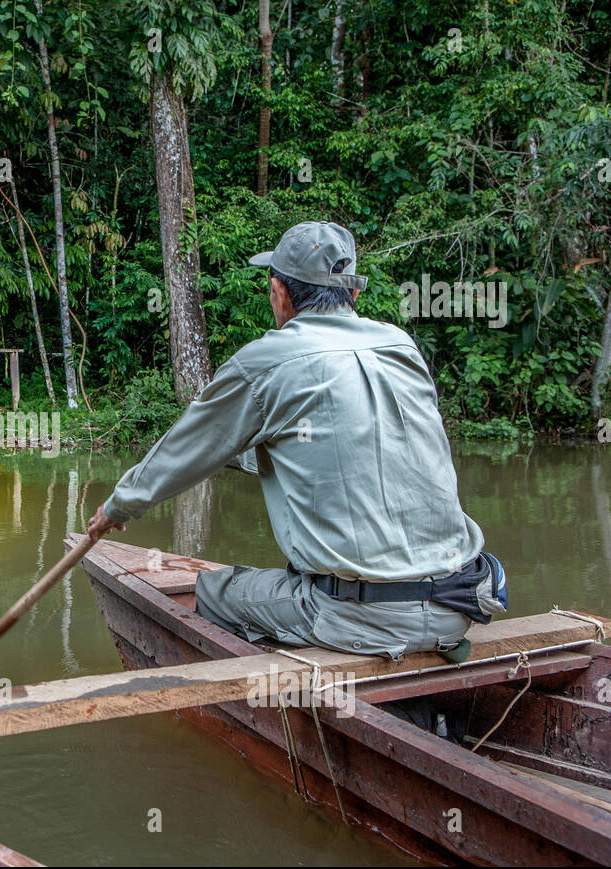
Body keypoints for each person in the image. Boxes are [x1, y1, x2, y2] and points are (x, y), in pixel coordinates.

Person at [85, 221, 506, 662]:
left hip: (359, 616)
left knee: (208, 592)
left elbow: (181, 452)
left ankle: (271, 675)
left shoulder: (266, 361)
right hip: (460, 604)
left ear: (279, 293)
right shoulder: (400, 346)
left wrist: (117, 508)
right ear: (354, 295)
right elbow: (350, 447)